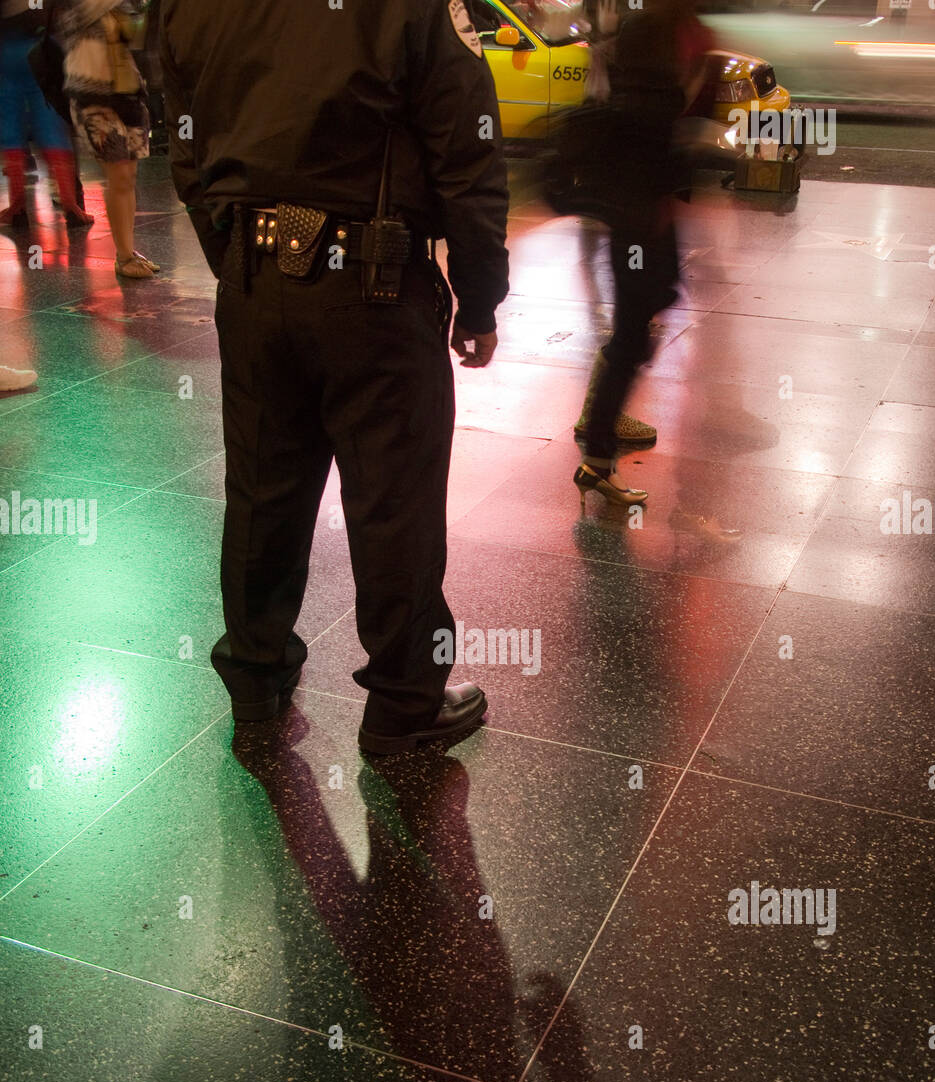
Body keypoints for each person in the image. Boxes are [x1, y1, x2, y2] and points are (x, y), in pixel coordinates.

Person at [159, 0, 509, 754]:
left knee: (262, 488)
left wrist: (232, 257)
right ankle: (406, 704)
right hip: (374, 289)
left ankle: (255, 678)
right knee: (393, 503)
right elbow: (467, 150)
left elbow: (182, 137)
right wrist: (478, 297)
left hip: (252, 276)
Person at [572, 0, 686, 510]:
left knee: (637, 332)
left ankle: (598, 448)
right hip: (642, 232)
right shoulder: (651, 97)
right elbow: (658, 161)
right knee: (630, 341)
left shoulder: (636, 86)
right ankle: (597, 455)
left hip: (637, 230)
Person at [57, 0, 158, 277]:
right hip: (93, 97)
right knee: (119, 174)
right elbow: (77, 20)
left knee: (129, 176)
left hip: (129, 93)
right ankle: (124, 257)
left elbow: (137, 36)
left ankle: (128, 251)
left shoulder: (127, 4)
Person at [0, 0, 93, 227]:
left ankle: (18, 207)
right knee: (50, 123)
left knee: (10, 129)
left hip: (6, 52)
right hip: (40, 49)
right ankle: (70, 204)